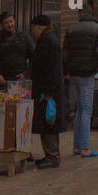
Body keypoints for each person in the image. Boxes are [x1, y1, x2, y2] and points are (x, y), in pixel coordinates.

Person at [63, 2, 98, 157]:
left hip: (73, 74)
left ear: (80, 14)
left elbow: (65, 53)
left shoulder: (71, 29)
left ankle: (76, 146)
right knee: (86, 110)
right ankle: (85, 148)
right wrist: (95, 68)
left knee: (79, 109)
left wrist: (66, 71)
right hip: (87, 75)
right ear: (92, 13)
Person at [30, 14, 66, 168]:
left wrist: (48, 92)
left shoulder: (48, 41)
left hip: (48, 92)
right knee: (47, 122)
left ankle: (52, 156)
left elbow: (51, 69)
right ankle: (50, 155)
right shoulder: (49, 39)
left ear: (40, 27)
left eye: (33, 28)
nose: (32, 32)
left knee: (48, 123)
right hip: (46, 90)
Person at [0, 12, 33, 90]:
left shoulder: (24, 38)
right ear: (1, 25)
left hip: (21, 81)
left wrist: (26, 74)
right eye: (6, 23)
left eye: (11, 21)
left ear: (14, 21)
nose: (10, 25)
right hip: (3, 82)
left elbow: (35, 58)